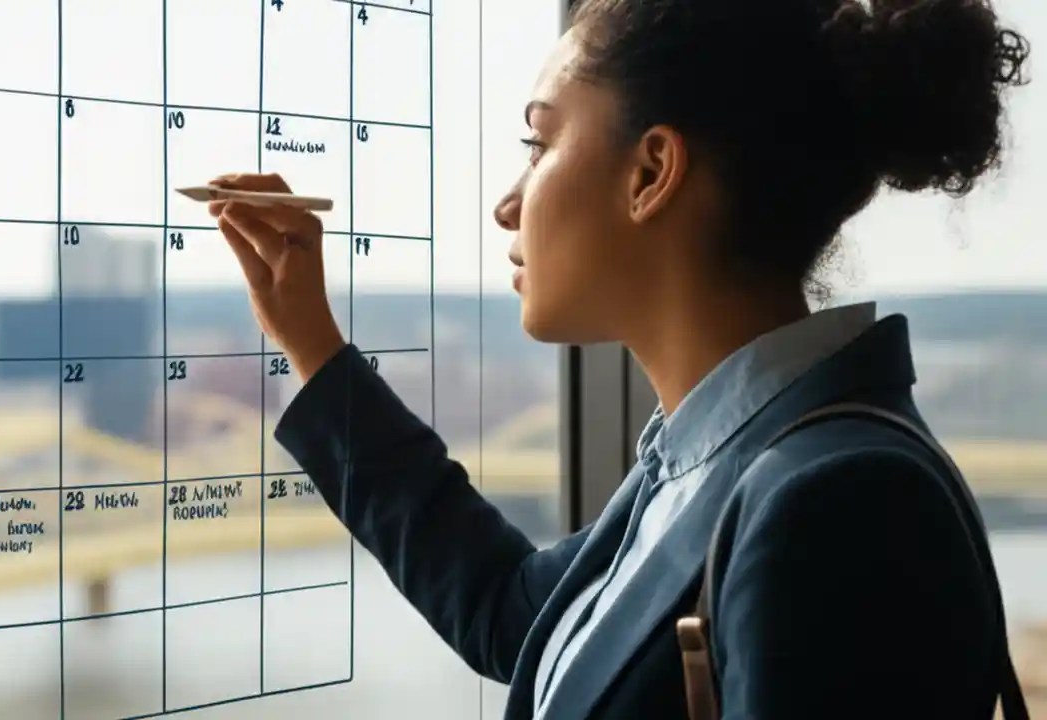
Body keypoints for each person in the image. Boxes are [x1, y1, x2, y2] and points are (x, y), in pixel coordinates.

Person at [204, 0, 1031, 717]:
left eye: (538, 142)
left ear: (651, 172)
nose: (506, 205)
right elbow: (516, 611)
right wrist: (312, 343)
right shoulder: (708, 463)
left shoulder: (840, 504)